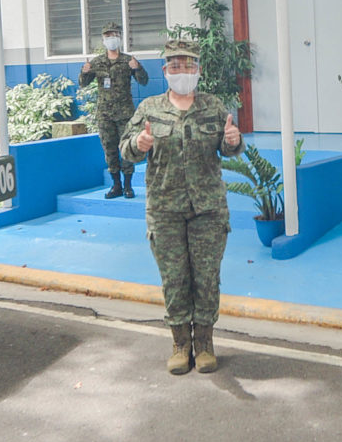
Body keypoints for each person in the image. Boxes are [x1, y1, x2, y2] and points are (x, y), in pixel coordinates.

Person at [121, 39, 243, 374]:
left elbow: (229, 145)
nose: (182, 72)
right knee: (174, 279)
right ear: (165, 71)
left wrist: (233, 141)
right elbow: (125, 150)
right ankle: (180, 343)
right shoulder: (149, 108)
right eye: (175, 66)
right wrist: (138, 143)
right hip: (165, 209)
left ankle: (204, 342)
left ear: (198, 70)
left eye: (189, 66)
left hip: (208, 208)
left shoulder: (213, 106)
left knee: (206, 278)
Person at [79, 22, 148, 197]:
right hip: (105, 115)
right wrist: (85, 72)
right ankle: (116, 185)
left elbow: (144, 81)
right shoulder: (97, 62)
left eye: (114, 35)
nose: (111, 39)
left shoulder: (128, 60)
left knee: (127, 149)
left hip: (125, 114)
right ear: (103, 40)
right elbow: (83, 84)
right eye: (108, 36)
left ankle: (128, 186)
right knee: (109, 150)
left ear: (120, 38)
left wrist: (137, 68)